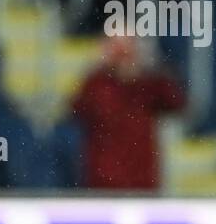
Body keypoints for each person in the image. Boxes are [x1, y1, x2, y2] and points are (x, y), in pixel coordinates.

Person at [71, 31, 185, 190]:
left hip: (142, 182)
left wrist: (150, 67)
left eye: (127, 45)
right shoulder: (98, 84)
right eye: (116, 45)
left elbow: (177, 103)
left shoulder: (149, 84)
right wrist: (96, 67)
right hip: (103, 182)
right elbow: (76, 111)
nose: (122, 52)